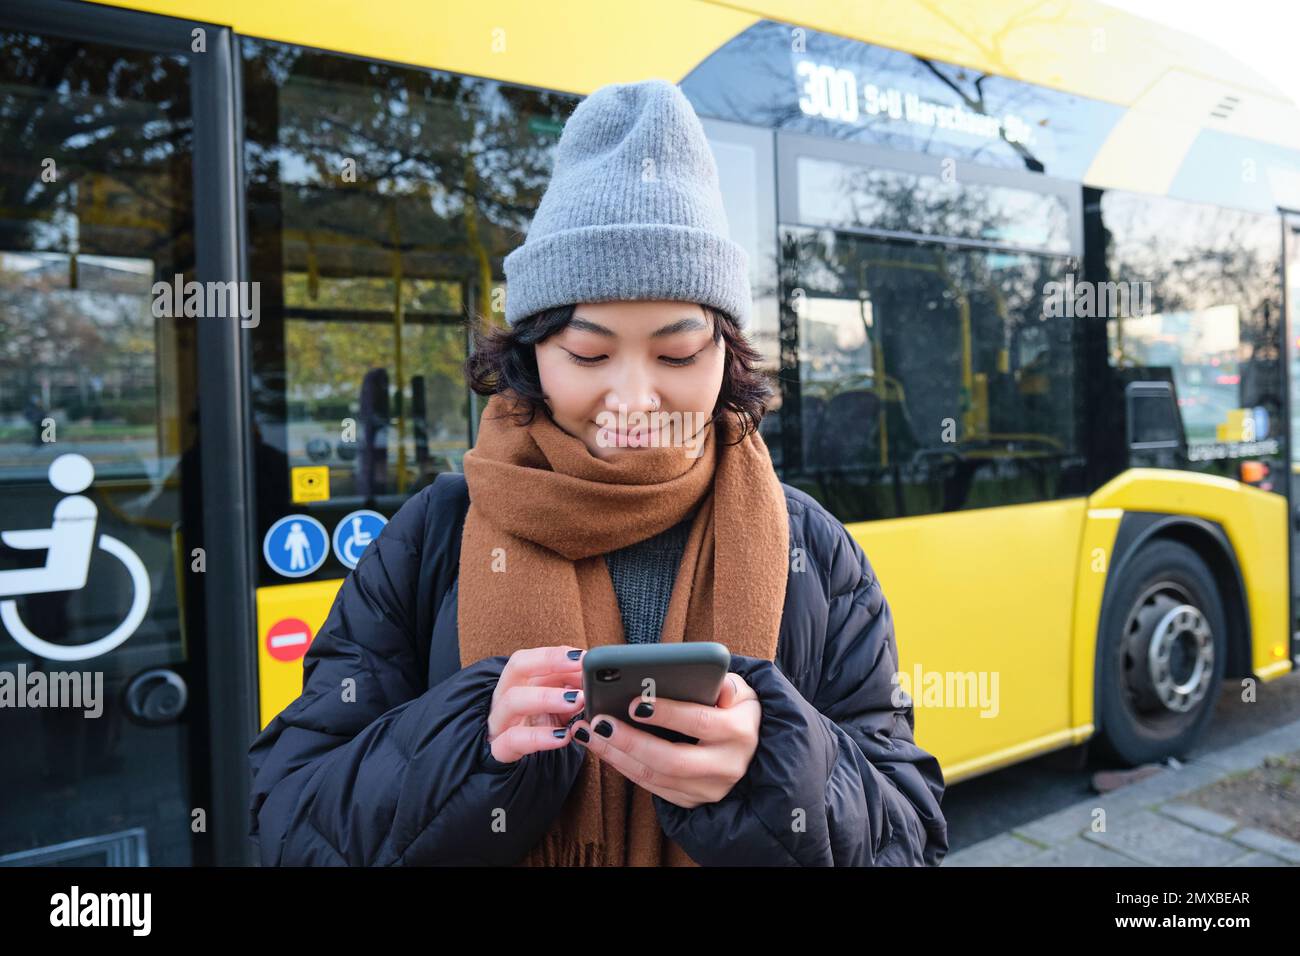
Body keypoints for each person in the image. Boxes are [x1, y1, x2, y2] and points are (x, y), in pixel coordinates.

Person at [247, 78, 948, 866]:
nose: (634, 397)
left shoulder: (812, 549)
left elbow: (909, 831)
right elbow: (287, 813)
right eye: (588, 353)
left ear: (727, 353)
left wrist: (773, 770)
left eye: (679, 352)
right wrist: (468, 746)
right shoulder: (432, 538)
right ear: (531, 351)